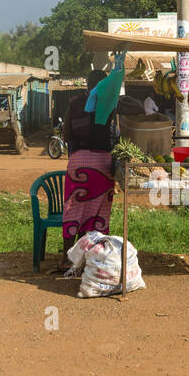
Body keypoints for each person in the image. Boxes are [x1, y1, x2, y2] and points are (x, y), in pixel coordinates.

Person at [60, 70, 119, 265]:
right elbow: (135, 108)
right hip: (103, 164)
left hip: (78, 162)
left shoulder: (75, 103)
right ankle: (88, 259)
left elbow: (66, 135)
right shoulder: (109, 103)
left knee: (73, 209)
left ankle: (68, 260)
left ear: (87, 84)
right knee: (96, 212)